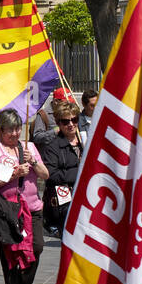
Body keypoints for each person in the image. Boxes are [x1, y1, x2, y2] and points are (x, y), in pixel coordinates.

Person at [0, 109, 49, 284]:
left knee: (37, 246)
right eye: (10, 130)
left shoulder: (28, 146)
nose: (14, 134)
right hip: (8, 208)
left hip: (32, 207)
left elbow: (45, 174)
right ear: (1, 130)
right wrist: (15, 173)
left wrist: (32, 161)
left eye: (17, 129)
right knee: (10, 251)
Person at [40, 98, 83, 237]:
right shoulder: (53, 147)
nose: (71, 124)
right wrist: (80, 172)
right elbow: (52, 175)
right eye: (65, 122)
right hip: (65, 201)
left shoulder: (85, 142)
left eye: (74, 120)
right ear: (59, 124)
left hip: (86, 199)